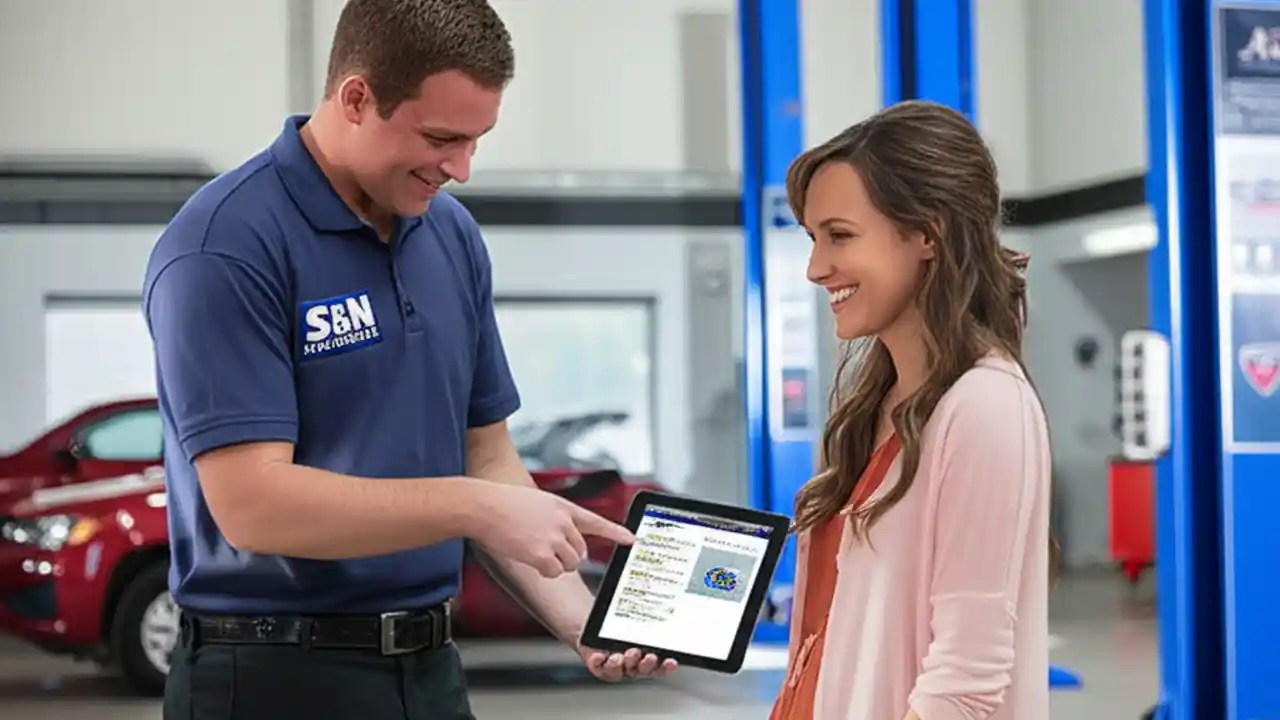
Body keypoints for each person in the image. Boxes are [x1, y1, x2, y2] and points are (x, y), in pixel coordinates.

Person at [141, 1, 676, 717]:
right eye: (441, 138)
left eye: (476, 140)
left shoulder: (449, 236)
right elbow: (253, 505)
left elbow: (486, 457)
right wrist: (473, 508)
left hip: (429, 673)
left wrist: (584, 625)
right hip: (271, 678)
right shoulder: (225, 245)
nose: (460, 169)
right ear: (356, 97)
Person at [768, 100, 1053, 720]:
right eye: (814, 239)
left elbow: (965, 683)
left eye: (840, 236)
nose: (816, 269)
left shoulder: (985, 407)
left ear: (928, 232)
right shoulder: (872, 409)